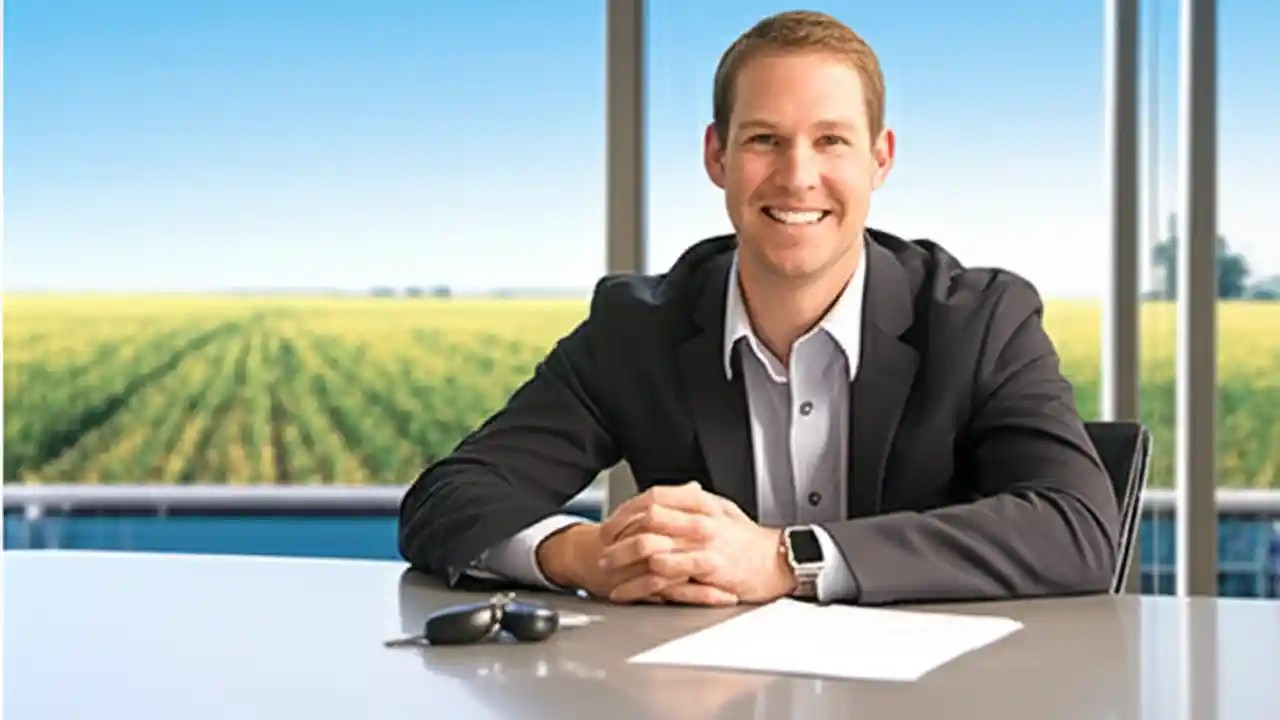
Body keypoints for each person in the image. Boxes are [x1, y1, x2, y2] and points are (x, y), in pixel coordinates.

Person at [398, 10, 1120, 606]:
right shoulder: (637, 329)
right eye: (764, 141)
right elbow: (448, 499)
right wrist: (583, 554)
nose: (797, 177)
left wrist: (786, 558)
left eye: (831, 140)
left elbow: (1079, 527)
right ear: (716, 157)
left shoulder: (981, 319)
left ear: (880, 158)